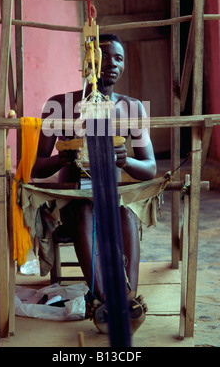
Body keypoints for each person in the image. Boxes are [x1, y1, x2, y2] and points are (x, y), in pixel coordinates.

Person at [31, 33, 157, 332]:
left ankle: (128, 299)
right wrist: (65, 157)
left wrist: (124, 161)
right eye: (104, 57)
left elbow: (150, 167)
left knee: (124, 212)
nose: (112, 64)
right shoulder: (59, 105)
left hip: (113, 198)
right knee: (85, 211)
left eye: (119, 58)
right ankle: (102, 300)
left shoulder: (132, 108)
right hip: (72, 200)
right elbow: (37, 168)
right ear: (87, 61)